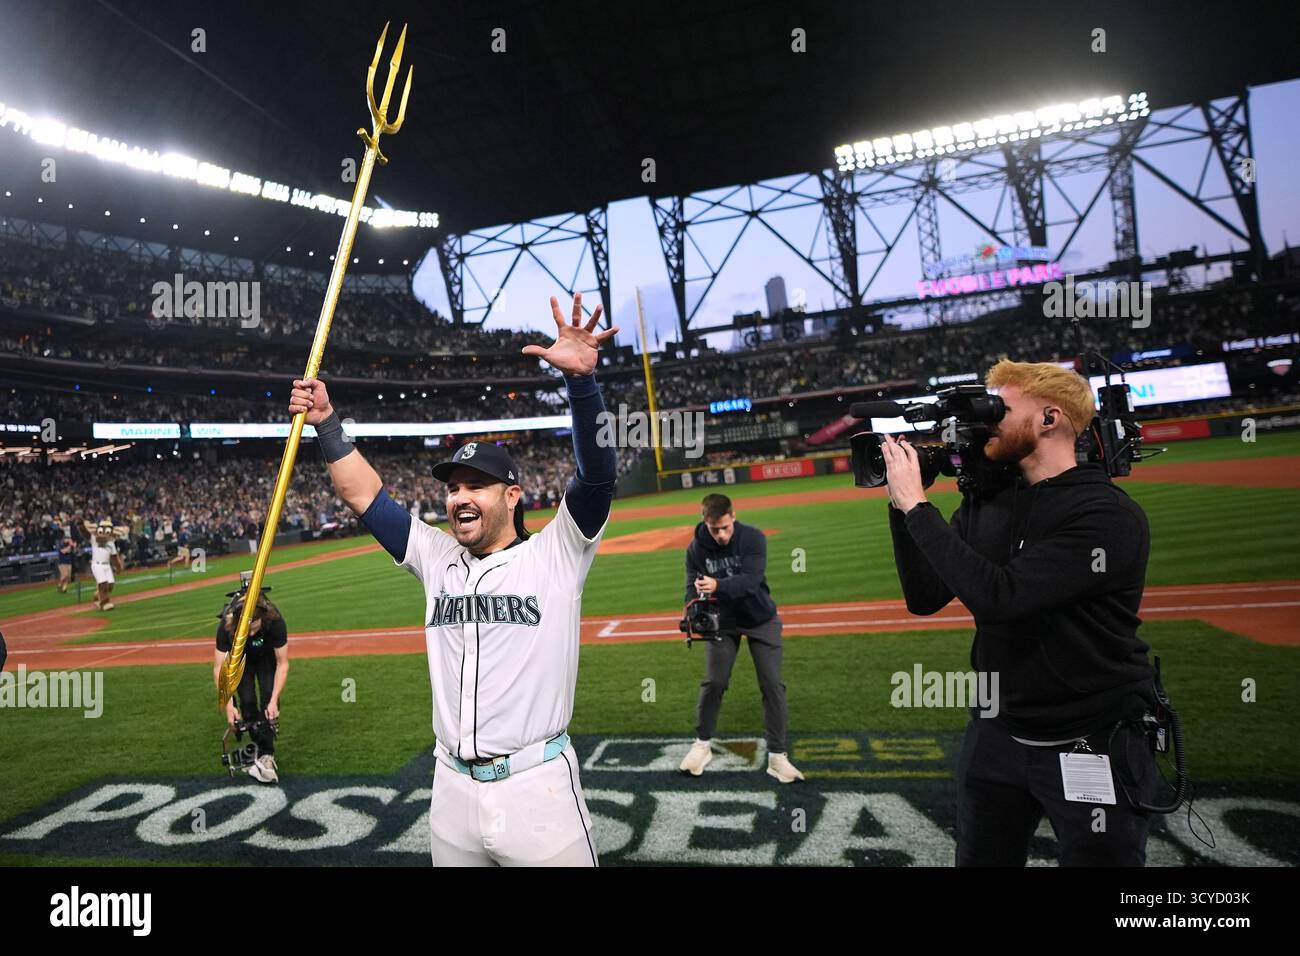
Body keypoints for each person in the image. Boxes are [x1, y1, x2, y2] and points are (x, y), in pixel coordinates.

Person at [288, 292, 618, 867]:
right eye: (452, 487)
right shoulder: (436, 556)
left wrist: (583, 386)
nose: (458, 498)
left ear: (512, 496)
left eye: (476, 486)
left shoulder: (557, 553)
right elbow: (361, 493)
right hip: (451, 790)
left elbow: (597, 478)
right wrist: (326, 422)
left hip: (536, 788)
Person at [882, 359, 1159, 866]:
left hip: (1091, 735)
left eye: (999, 410)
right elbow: (924, 596)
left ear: (1049, 418)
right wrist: (900, 509)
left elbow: (1001, 598)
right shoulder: (990, 506)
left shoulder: (1105, 515)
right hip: (997, 731)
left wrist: (918, 507)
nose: (985, 424)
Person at [679, 493, 804, 784]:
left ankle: (777, 756)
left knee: (772, 683)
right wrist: (690, 610)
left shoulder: (753, 538)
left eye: (725, 527)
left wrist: (717, 585)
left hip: (761, 617)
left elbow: (750, 581)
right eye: (714, 529)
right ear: (705, 522)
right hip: (722, 623)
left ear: (733, 517)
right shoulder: (696, 549)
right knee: (714, 682)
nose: (721, 535)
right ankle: (701, 745)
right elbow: (690, 586)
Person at [214, 576, 288, 784]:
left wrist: (274, 700)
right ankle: (255, 741)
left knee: (267, 702)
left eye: (255, 628)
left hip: (266, 660)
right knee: (246, 701)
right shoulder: (226, 627)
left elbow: (282, 664)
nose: (252, 632)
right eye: (248, 630)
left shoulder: (275, 621)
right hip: (240, 661)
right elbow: (220, 667)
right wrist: (228, 704)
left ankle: (267, 754)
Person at [88, 521, 124, 610]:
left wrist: (118, 567)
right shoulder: (94, 538)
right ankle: (104, 603)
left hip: (107, 565)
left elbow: (114, 557)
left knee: (110, 585)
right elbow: (86, 532)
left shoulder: (111, 543)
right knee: (103, 583)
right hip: (97, 564)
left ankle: (98, 594)